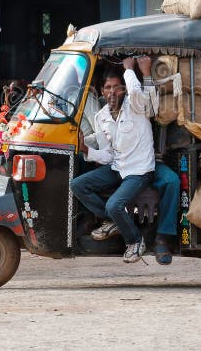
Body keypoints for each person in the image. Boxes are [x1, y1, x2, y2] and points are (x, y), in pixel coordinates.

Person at [71, 55, 156, 264]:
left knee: (113, 205)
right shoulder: (101, 117)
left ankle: (135, 241)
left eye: (117, 87)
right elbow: (108, 154)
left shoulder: (136, 106)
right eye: (108, 87)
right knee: (78, 185)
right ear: (101, 91)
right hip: (118, 168)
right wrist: (85, 149)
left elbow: (139, 93)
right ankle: (113, 221)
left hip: (139, 170)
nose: (112, 92)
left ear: (124, 88)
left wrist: (129, 69)